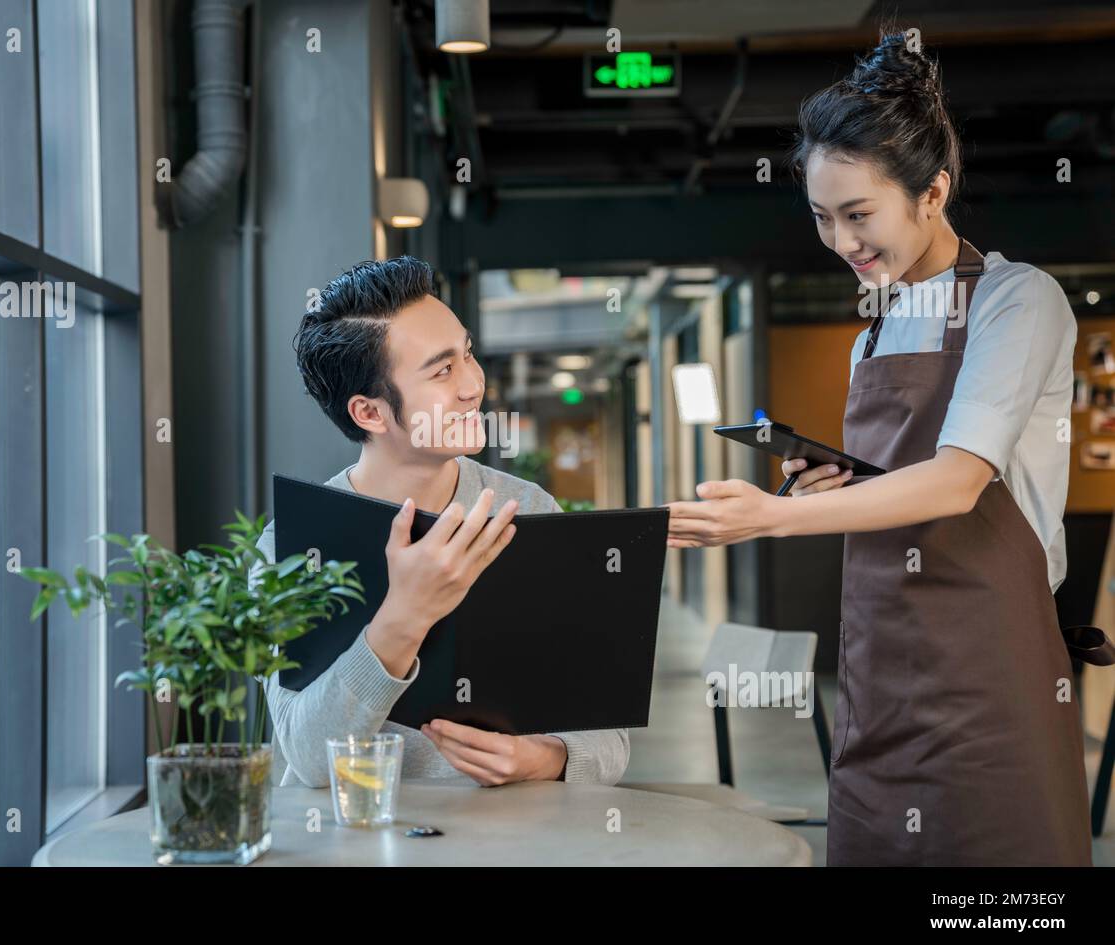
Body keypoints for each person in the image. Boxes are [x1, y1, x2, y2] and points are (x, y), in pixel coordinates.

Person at [667, 32, 1091, 866]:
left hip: (989, 672)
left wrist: (767, 522)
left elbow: (957, 482)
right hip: (879, 670)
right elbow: (898, 484)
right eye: (823, 218)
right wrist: (822, 487)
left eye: (859, 214)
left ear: (932, 192)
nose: (841, 241)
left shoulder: (1017, 301)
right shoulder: (878, 326)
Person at [255, 256, 630, 788]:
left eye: (467, 355)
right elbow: (311, 761)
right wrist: (406, 614)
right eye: (442, 370)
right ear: (370, 413)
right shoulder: (294, 546)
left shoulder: (527, 511)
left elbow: (610, 738)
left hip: (509, 842)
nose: (473, 384)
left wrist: (544, 760)